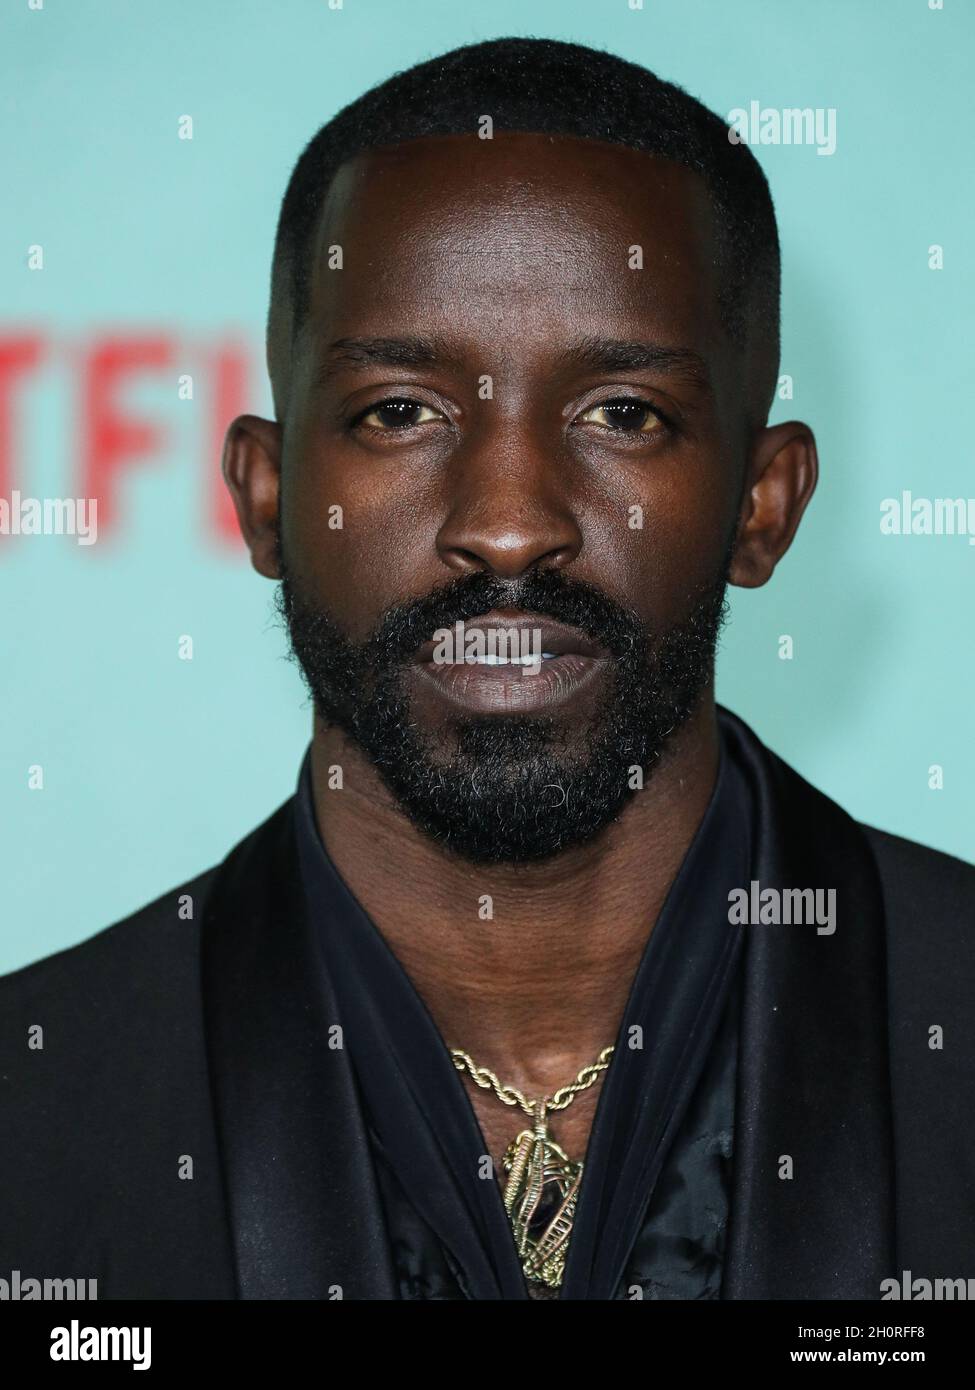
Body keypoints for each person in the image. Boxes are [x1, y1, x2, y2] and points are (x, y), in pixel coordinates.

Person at [3, 36, 974, 1303]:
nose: (510, 523)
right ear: (266, 495)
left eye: (622, 412)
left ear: (763, 504)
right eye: (400, 409)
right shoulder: (39, 1112)